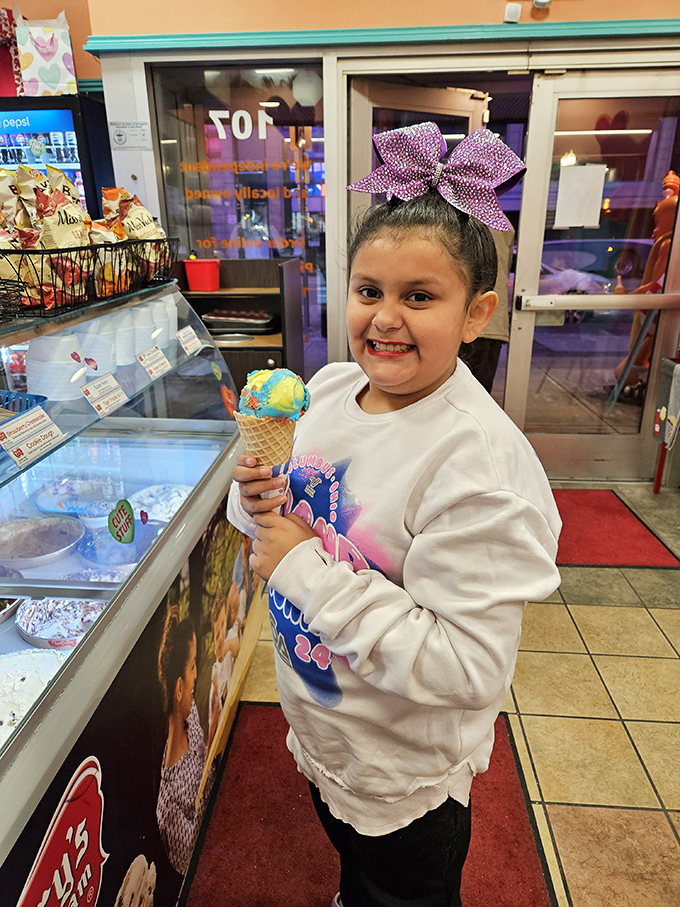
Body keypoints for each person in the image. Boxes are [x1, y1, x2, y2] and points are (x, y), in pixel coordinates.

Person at [227, 123, 562, 907]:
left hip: (404, 778)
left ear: (476, 313)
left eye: (419, 296)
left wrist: (303, 566)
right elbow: (279, 527)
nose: (383, 317)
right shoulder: (330, 391)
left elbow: (467, 666)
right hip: (328, 734)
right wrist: (254, 501)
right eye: (369, 291)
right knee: (357, 869)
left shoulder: (477, 466)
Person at [156, 607, 214, 874]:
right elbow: (187, 863)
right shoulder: (169, 802)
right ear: (179, 688)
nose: (197, 673)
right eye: (192, 666)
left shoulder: (190, 715)